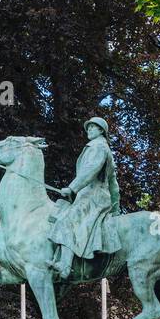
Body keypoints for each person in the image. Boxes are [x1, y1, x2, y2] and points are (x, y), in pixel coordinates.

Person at [48, 117, 121, 280]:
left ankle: (65, 266)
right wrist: (115, 206)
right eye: (88, 128)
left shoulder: (98, 147)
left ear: (101, 130)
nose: (89, 130)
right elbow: (114, 183)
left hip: (94, 197)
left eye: (93, 127)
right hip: (90, 195)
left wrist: (72, 188)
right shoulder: (98, 147)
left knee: (67, 221)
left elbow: (90, 171)